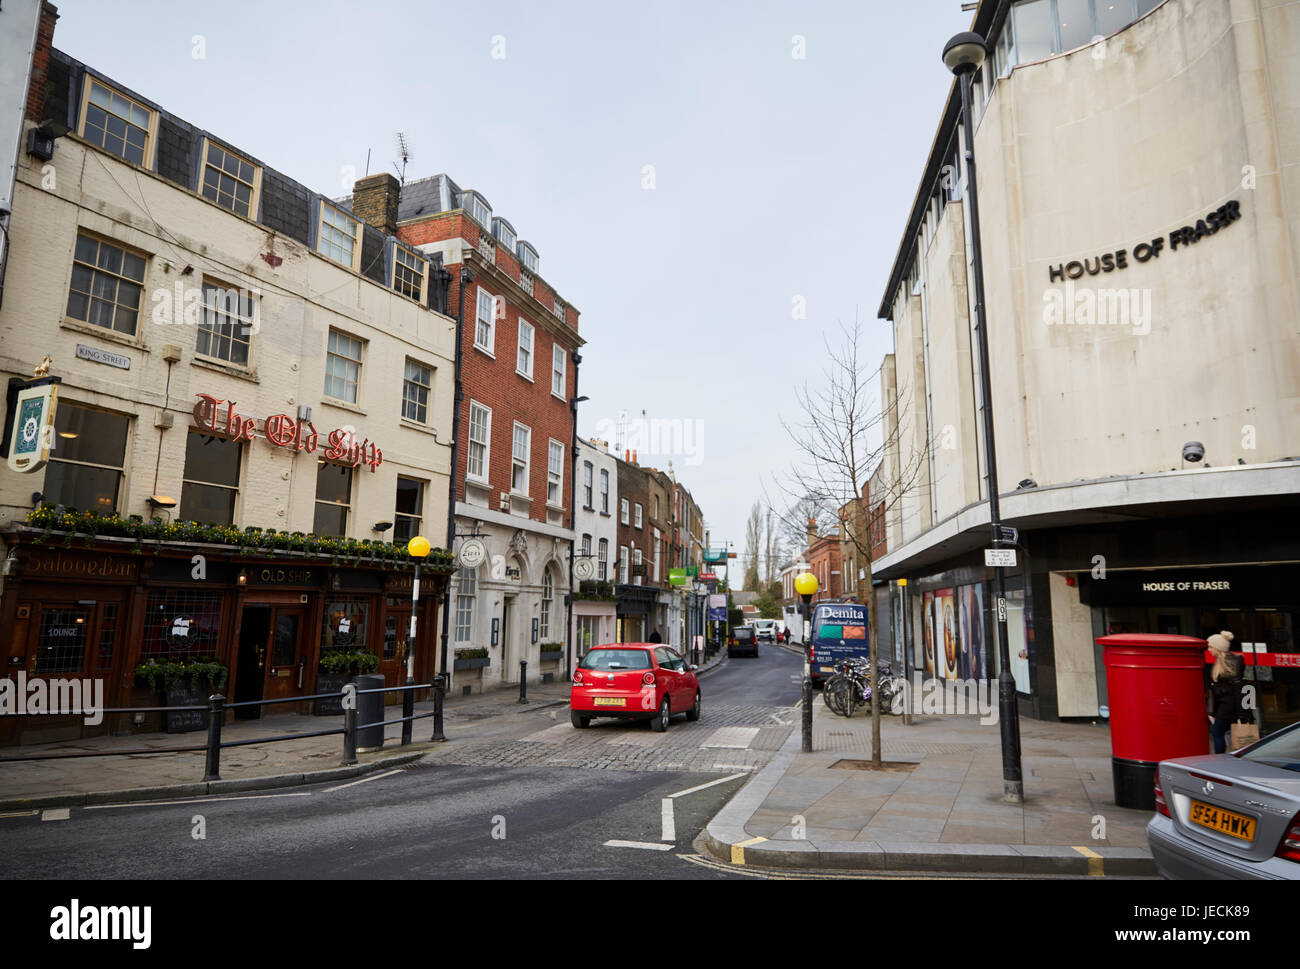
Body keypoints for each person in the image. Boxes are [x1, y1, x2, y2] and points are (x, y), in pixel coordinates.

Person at [1207, 630, 1244, 754]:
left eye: (1211, 647)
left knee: (1217, 731)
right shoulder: (1219, 662)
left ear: (1218, 648)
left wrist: (1241, 714)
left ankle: (1219, 758)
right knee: (1223, 732)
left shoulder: (1232, 662)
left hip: (1228, 705)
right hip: (1222, 705)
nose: (1209, 650)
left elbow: (1238, 689)